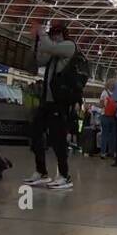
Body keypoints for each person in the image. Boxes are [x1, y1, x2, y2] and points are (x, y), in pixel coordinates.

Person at [24, 20, 78, 189]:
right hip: (46, 101)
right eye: (52, 34)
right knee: (35, 133)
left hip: (59, 103)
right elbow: (39, 60)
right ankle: (41, 171)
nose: (55, 37)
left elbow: (50, 47)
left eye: (57, 34)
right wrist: (36, 42)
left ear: (63, 35)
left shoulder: (69, 46)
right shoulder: (53, 52)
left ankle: (64, 175)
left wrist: (41, 33)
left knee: (57, 139)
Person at [99, 78, 117, 159]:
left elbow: (101, 105)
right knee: (113, 136)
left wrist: (105, 105)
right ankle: (112, 152)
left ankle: (103, 153)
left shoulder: (104, 92)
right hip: (113, 116)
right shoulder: (116, 93)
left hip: (104, 116)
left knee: (104, 135)